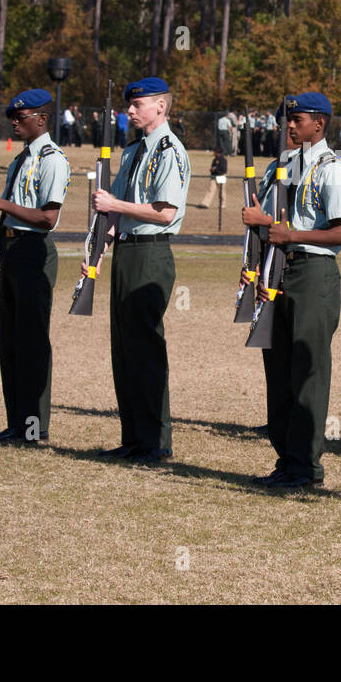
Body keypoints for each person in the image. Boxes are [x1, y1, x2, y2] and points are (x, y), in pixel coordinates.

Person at [241, 92, 341, 489]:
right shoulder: (281, 167)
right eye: (287, 119)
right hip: (278, 273)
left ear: (319, 125)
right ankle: (286, 459)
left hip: (313, 272)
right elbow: (273, 228)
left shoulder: (330, 169)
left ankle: (306, 466)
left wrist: (290, 234)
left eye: (298, 119)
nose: (288, 125)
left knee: (307, 370)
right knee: (278, 369)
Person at [90, 78, 190, 462]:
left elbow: (164, 212)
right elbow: (113, 212)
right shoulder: (134, 150)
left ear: (161, 107)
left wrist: (115, 203)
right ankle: (133, 437)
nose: (130, 111)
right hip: (126, 253)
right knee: (124, 350)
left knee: (146, 349)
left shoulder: (169, 150)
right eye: (128, 105)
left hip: (150, 253)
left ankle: (156, 441)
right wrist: (99, 248)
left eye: (137, 104)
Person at [0, 89, 70, 444]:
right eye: (11, 116)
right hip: (11, 249)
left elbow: (47, 217)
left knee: (31, 342)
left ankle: (34, 429)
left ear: (41, 119)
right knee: (10, 342)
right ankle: (16, 424)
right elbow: (4, 220)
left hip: (33, 252)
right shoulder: (20, 160)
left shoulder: (51, 160)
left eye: (20, 116)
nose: (13, 121)